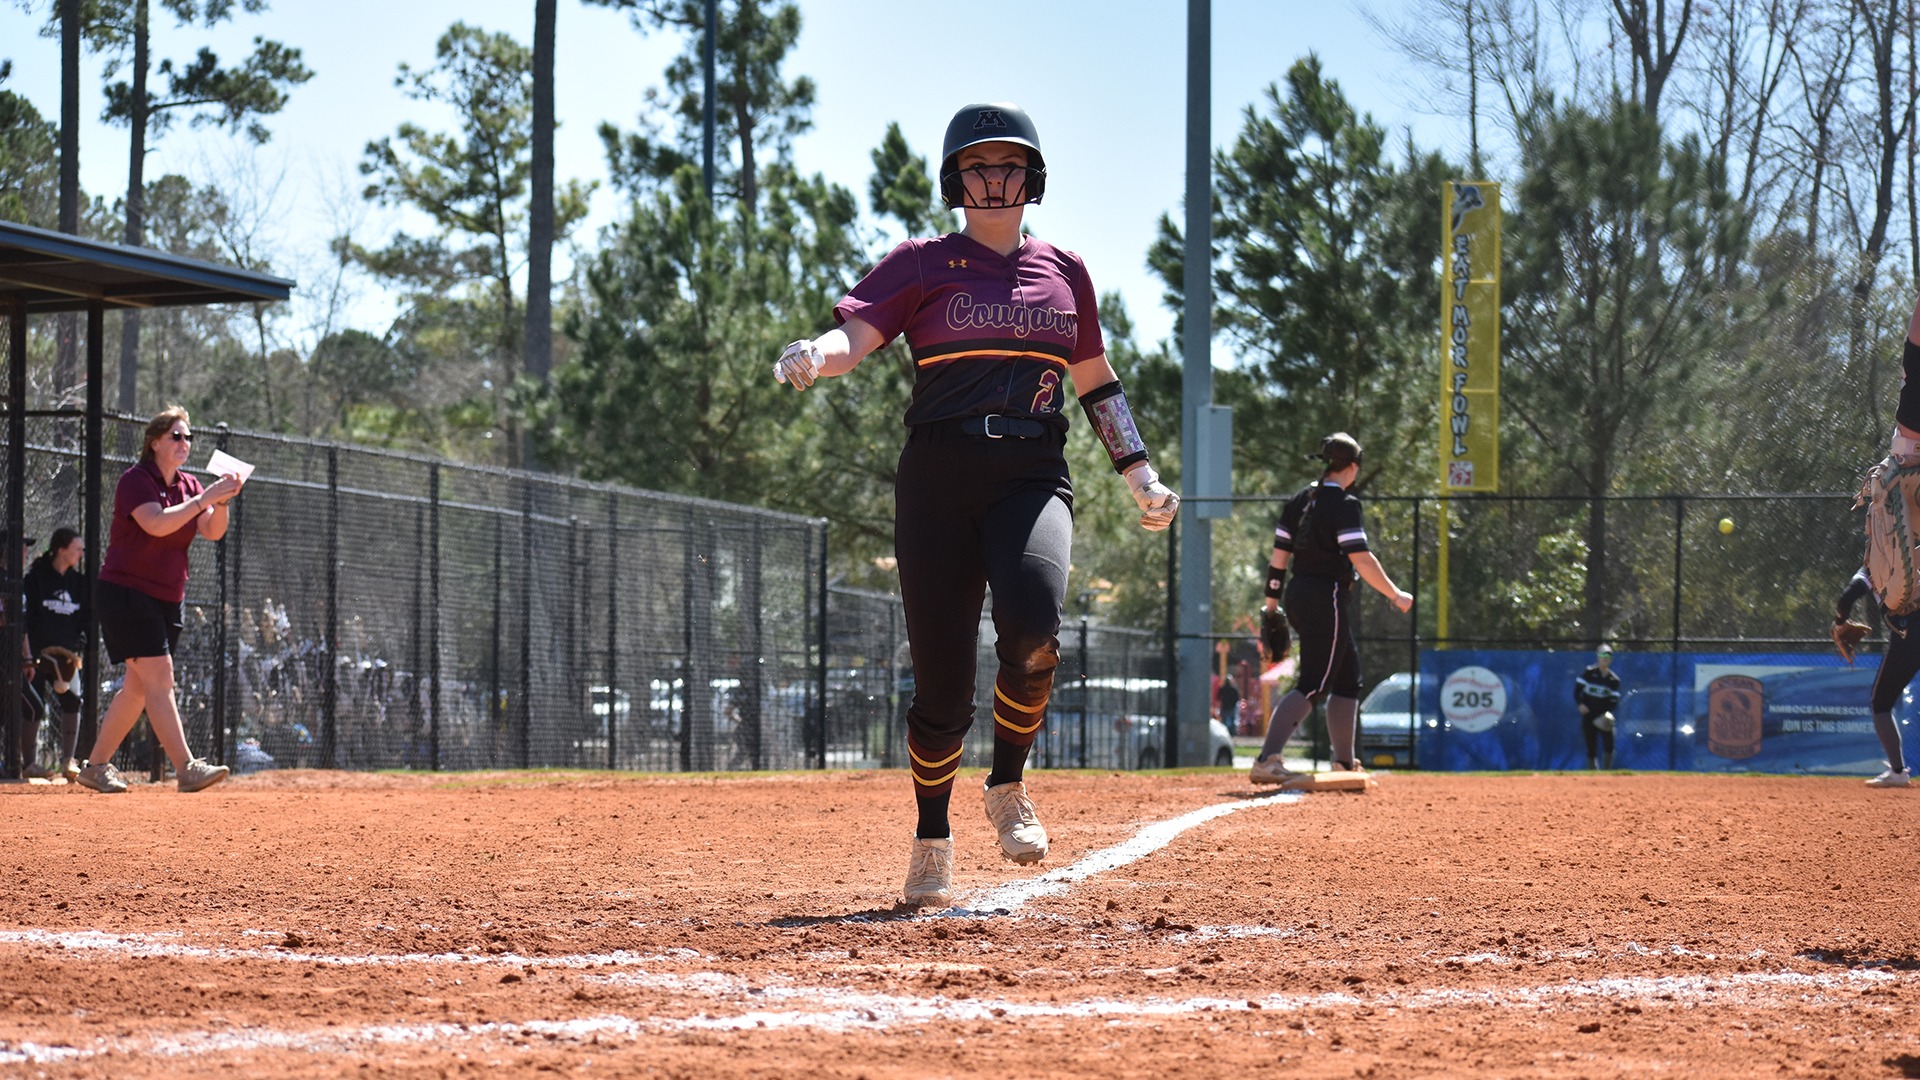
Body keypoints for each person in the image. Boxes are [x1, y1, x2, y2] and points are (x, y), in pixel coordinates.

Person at [773, 102, 1180, 907]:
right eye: (977, 166)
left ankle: (1007, 784)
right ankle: (931, 839)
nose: (993, 179)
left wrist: (1138, 472)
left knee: (1032, 629)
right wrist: (813, 356)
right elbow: (856, 340)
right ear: (955, 181)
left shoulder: (1066, 271)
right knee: (942, 688)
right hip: (937, 477)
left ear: (1032, 179)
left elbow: (1095, 380)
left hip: (1032, 470)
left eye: (1009, 165)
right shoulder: (921, 262)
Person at [74, 407, 244, 794]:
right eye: (176, 437)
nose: (185, 444)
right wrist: (206, 498)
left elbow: (212, 531)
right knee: (161, 677)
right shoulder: (135, 480)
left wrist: (223, 501)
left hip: (167, 596)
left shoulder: (189, 485)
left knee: (138, 687)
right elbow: (156, 523)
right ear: (155, 443)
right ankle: (187, 768)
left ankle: (95, 767)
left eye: (188, 438)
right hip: (125, 592)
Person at [1249, 433, 1412, 786]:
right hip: (1327, 595)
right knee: (1314, 682)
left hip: (1299, 593)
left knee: (1346, 676)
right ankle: (1267, 759)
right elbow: (1361, 557)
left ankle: (1344, 763)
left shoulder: (1298, 501)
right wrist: (1395, 594)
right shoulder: (1344, 504)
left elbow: (1279, 560)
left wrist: (1272, 607)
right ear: (1352, 467)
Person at [1834, 566, 1911, 787]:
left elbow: (1846, 599)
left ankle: (1897, 772)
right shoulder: (1915, 552)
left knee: (1881, 704)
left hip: (1909, 636)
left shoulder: (1876, 561)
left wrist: (1840, 622)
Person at [23, 527, 87, 779]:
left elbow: (85, 621)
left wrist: (73, 651)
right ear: (61, 550)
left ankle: (68, 761)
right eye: (77, 549)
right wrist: (39, 652)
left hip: (66, 656)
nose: (81, 553)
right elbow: (30, 620)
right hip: (39, 656)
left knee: (73, 700)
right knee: (34, 705)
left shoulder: (79, 583)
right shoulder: (35, 578)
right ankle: (29, 763)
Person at [1573, 644, 1623, 770]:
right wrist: (1580, 704)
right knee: (1591, 747)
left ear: (1611, 659)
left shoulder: (1614, 680)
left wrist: (1603, 713)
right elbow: (1576, 692)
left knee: (1609, 746)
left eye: (1608, 656)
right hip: (1589, 716)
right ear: (1598, 657)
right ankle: (1593, 777)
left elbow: (1613, 701)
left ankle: (1606, 773)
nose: (1605, 658)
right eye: (1602, 655)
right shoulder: (1589, 673)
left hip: (1603, 716)